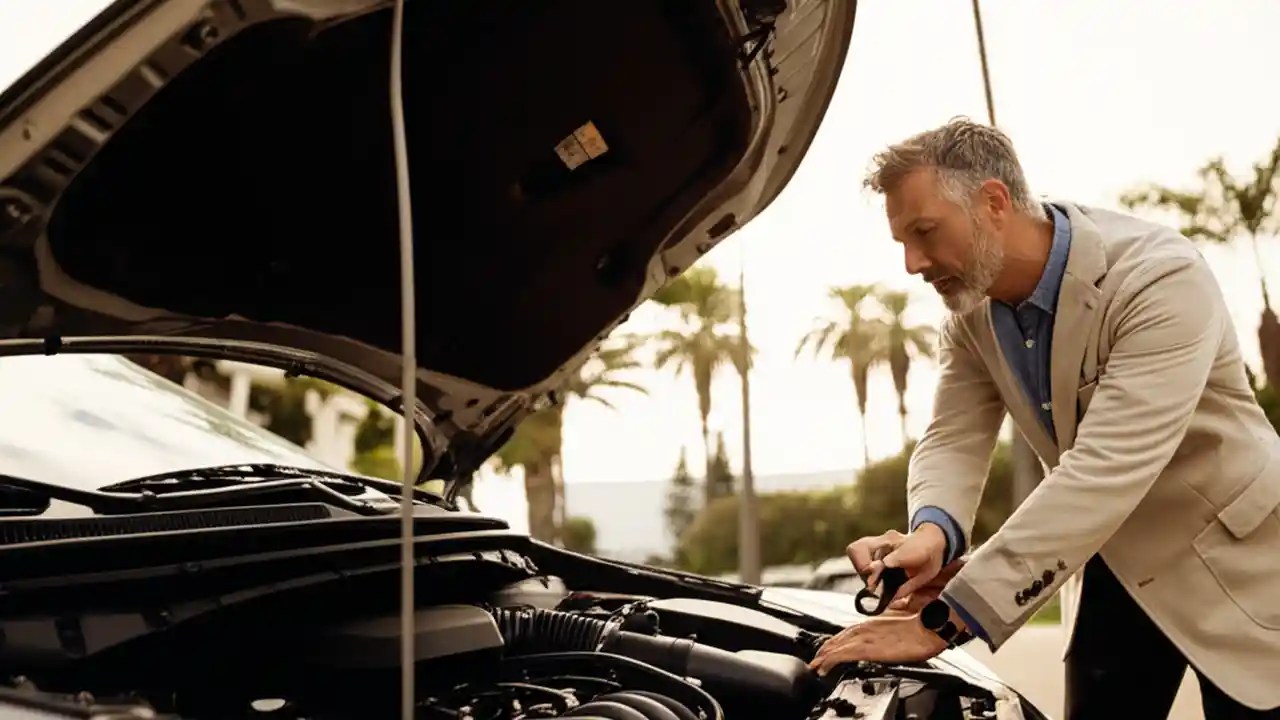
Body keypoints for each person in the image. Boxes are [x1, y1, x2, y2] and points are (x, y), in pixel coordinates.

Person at [808, 117, 1280, 719]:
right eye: (902, 239)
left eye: (925, 231)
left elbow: (1104, 469)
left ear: (994, 202)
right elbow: (953, 437)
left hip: (1237, 562)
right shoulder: (970, 315)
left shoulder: (1160, 277)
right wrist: (930, 537)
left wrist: (944, 620)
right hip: (1109, 567)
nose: (911, 262)